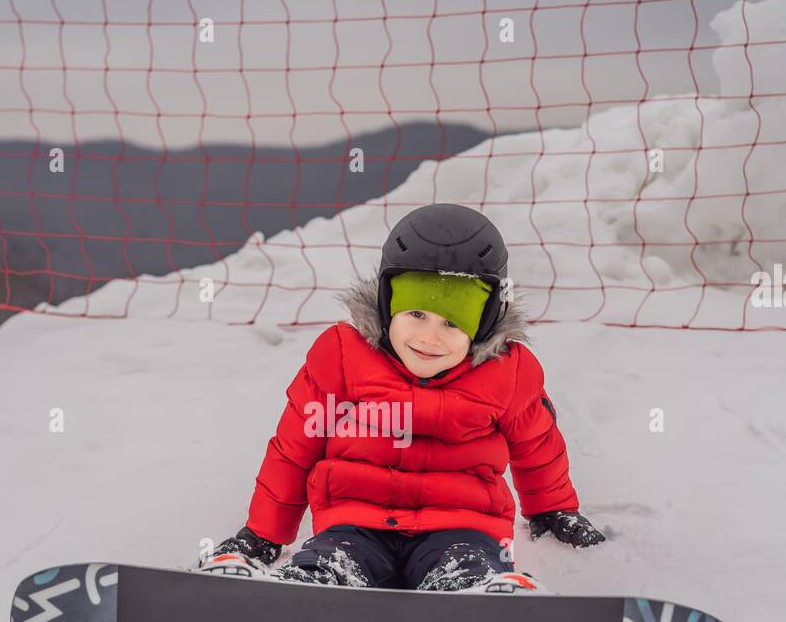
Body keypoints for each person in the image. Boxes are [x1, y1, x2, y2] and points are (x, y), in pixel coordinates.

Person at [201, 203, 604, 595]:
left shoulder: (508, 373)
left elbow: (537, 446)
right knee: (329, 562)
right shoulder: (341, 356)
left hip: (462, 526)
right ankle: (302, 594)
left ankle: (478, 598)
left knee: (467, 565)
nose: (429, 338)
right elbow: (294, 448)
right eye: (415, 315)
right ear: (386, 303)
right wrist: (261, 534)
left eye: (451, 323)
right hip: (353, 522)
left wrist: (553, 511)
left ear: (483, 325)